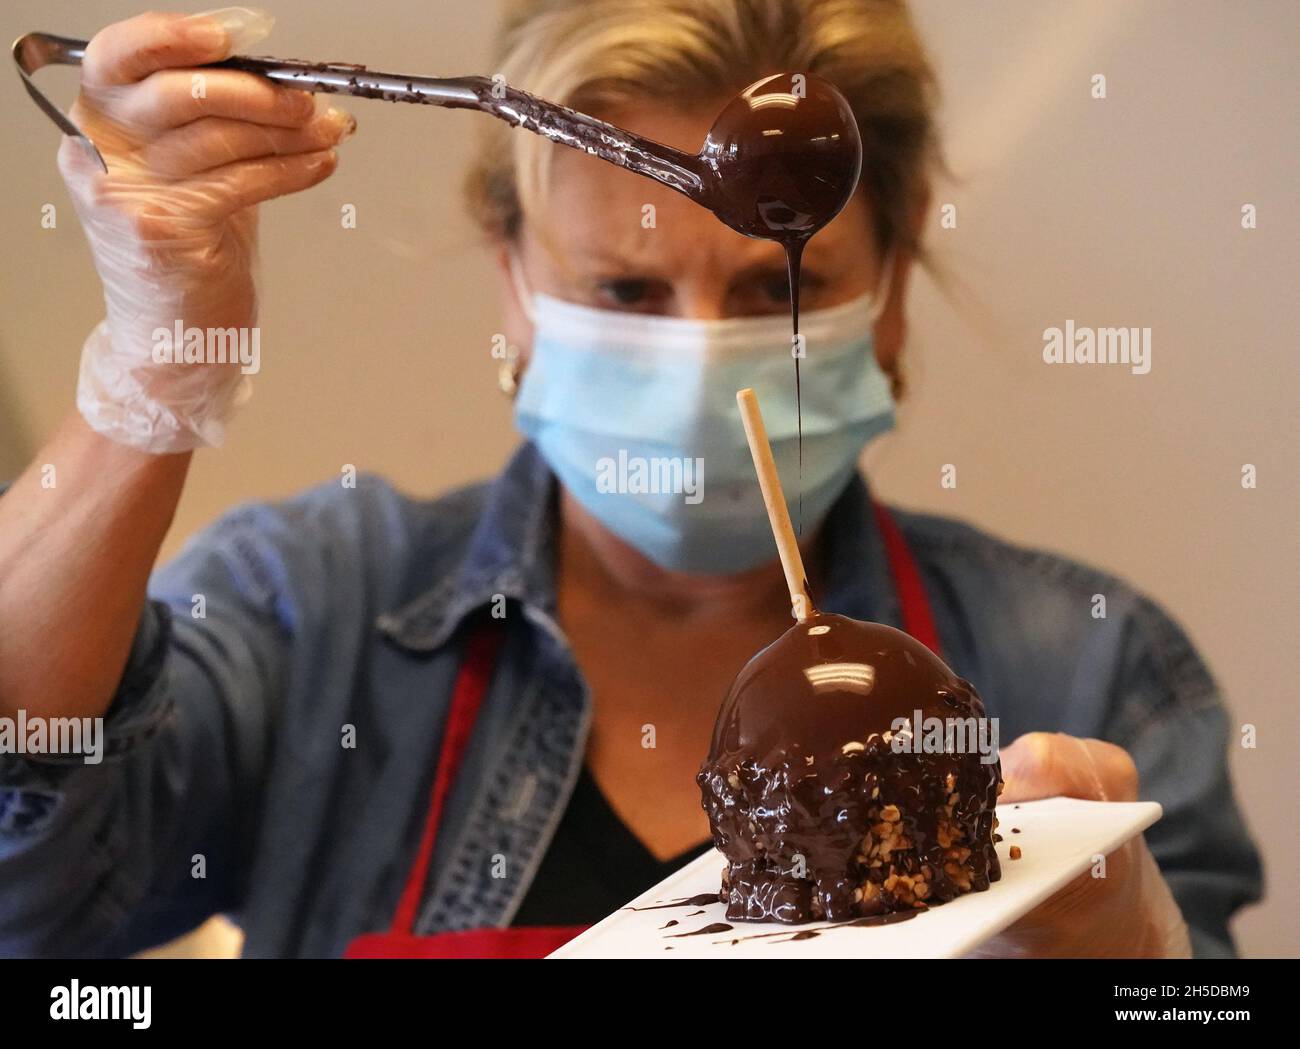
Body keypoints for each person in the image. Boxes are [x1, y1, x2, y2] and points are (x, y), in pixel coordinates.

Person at [0, 0, 1261, 958]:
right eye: (626, 291)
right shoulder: (314, 606)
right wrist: (155, 369)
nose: (699, 360)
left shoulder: (1091, 663)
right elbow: (29, 899)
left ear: (890, 293)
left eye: (779, 288)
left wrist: (1127, 943)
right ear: (513, 279)